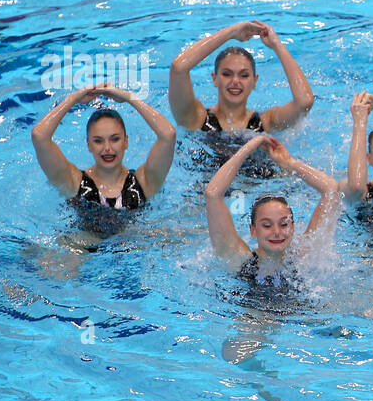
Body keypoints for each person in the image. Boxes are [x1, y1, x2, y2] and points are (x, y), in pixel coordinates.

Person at [31, 83, 176, 233]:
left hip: (134, 242)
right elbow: (39, 136)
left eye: (115, 139)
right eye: (98, 141)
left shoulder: (144, 182)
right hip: (84, 247)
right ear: (89, 145)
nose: (107, 148)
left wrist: (130, 97)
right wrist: (72, 99)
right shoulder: (73, 182)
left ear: (126, 141)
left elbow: (168, 135)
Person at [205, 135, 340, 287]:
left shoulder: (303, 259)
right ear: (253, 230)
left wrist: (289, 163)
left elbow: (331, 189)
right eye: (267, 225)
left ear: (293, 227)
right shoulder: (240, 261)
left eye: (283, 224)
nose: (277, 232)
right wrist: (248, 148)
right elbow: (212, 194)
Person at [169, 20, 314, 135]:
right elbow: (179, 68)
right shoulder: (196, 119)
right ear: (214, 78)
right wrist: (231, 32)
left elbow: (304, 102)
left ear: (254, 81)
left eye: (244, 75)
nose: (235, 81)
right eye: (227, 74)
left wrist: (277, 45)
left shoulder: (266, 123)